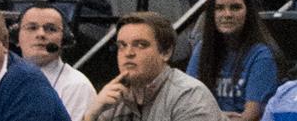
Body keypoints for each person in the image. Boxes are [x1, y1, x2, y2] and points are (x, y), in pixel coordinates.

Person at [82, 11, 222, 121]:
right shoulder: (112, 98)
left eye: (141, 45)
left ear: (166, 52)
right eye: (122, 46)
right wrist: (91, 115)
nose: (128, 53)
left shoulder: (189, 95)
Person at [188, 0, 280, 121]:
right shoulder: (201, 49)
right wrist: (220, 117)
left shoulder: (262, 55)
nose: (227, 14)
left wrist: (207, 116)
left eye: (235, 8)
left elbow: (251, 116)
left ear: (248, 12)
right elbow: (187, 106)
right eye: (219, 8)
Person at [16, 4, 91, 121]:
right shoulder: (2, 78)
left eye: (51, 29)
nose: (40, 34)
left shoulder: (77, 85)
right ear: (17, 37)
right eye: (32, 28)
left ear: (64, 39)